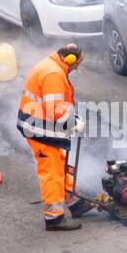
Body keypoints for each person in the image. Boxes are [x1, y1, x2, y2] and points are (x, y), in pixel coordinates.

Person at [18, 44, 91, 231]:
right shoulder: (54, 75)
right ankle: (54, 218)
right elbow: (54, 110)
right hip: (40, 129)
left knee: (60, 162)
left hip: (41, 125)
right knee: (51, 171)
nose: (78, 67)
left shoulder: (52, 65)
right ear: (70, 60)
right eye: (78, 63)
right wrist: (73, 123)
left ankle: (73, 202)